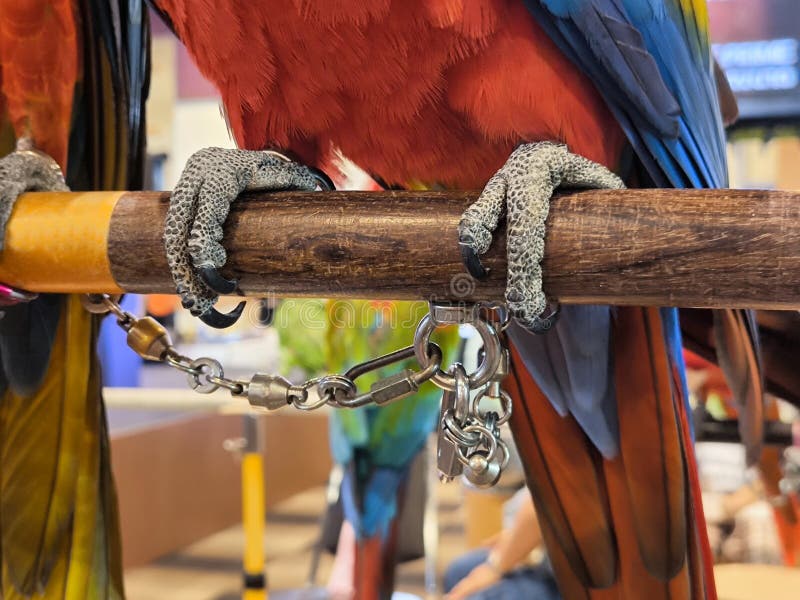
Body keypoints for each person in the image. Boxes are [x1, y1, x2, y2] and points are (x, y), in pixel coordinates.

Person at [443, 488, 559, 600]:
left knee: (472, 595)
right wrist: (517, 537)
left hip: (564, 582)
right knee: (458, 571)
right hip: (544, 555)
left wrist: (494, 568)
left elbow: (541, 504)